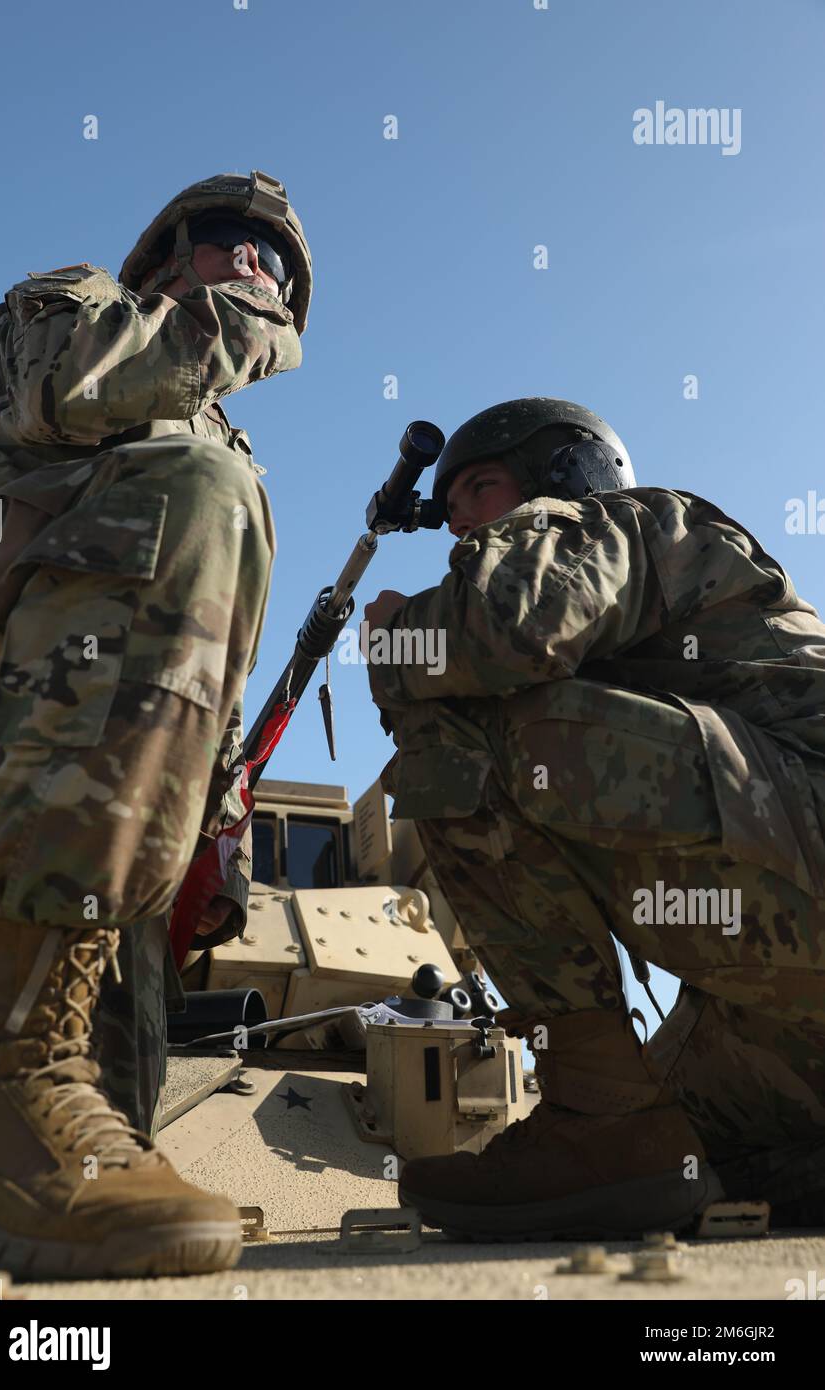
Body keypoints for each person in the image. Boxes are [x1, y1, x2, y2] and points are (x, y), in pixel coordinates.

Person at [0, 170, 311, 1276]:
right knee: (199, 494)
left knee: (102, 1213)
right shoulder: (65, 308)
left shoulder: (213, 456)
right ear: (162, 260)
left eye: (279, 271)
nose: (257, 271)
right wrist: (246, 318)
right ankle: (9, 1062)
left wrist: (221, 843)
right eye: (229, 245)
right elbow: (75, 385)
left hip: (72, 841)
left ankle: (25, 1073)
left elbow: (197, 704)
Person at [364, 397, 825, 1240]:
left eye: (480, 488)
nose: (460, 520)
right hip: (788, 952)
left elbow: (499, 628)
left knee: (454, 722)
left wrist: (392, 638)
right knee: (714, 1164)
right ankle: (625, 1129)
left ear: (563, 472)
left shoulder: (625, 521)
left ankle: (595, 1109)